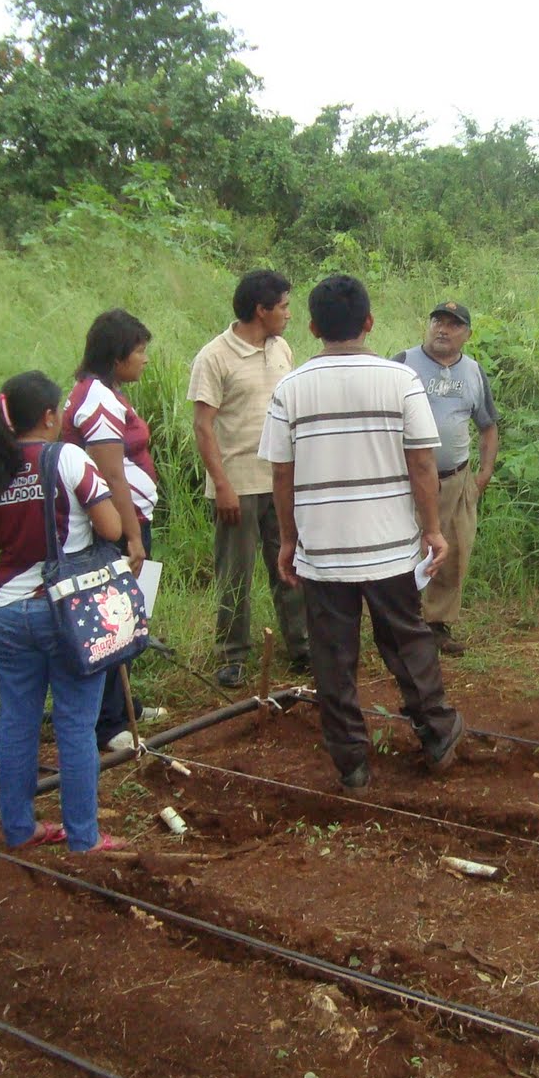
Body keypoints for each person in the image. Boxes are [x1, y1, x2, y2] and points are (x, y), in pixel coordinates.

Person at [260, 274, 465, 792]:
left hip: (323, 552)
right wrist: (433, 530)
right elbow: (422, 462)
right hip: (391, 548)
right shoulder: (401, 381)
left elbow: (281, 474)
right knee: (407, 640)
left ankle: (352, 763)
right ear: (369, 323)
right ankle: (437, 733)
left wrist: (288, 540)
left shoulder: (290, 388)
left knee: (332, 656)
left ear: (311, 327)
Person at [0, 371, 127, 853]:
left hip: (7, 612)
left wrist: (2, 538)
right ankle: (83, 838)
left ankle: (19, 829)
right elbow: (109, 527)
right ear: (49, 417)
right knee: (74, 724)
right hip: (66, 611)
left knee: (17, 722)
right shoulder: (68, 458)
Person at [189, 270, 312, 689]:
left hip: (279, 481)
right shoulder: (214, 356)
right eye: (283, 306)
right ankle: (233, 655)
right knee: (235, 572)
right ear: (261, 310)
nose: (288, 315)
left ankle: (301, 646)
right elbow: (203, 427)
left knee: (290, 566)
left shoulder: (282, 349)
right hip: (236, 485)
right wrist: (221, 484)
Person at [61, 309, 165, 751]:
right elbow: (112, 474)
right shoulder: (98, 400)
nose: (144, 359)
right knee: (110, 618)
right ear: (117, 355)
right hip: (117, 525)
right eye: (139, 351)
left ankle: (125, 705)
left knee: (127, 616)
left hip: (128, 520)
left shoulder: (104, 392)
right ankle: (107, 722)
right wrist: (132, 534)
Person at [393, 301, 500, 656]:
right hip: (407, 480)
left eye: (453, 325)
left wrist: (483, 475)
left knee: (453, 552)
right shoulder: (403, 363)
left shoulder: (473, 372)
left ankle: (437, 625)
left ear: (467, 334)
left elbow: (487, 426)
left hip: (456, 479)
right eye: (437, 320)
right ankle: (400, 623)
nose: (443, 329)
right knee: (403, 550)